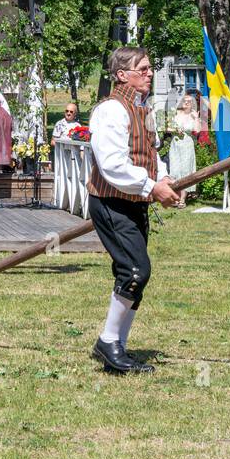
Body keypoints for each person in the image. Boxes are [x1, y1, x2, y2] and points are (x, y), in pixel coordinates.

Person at [87, 46, 179, 375]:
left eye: (150, 68)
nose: (150, 73)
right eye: (143, 69)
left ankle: (117, 346)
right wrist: (151, 187)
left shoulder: (143, 109)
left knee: (133, 275)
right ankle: (108, 341)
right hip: (111, 202)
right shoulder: (110, 110)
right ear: (122, 75)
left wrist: (162, 178)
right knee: (136, 271)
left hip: (134, 201)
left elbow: (151, 153)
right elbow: (112, 165)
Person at [168, 94, 199, 207]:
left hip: (187, 144)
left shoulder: (193, 115)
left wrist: (196, 118)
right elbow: (167, 128)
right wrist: (176, 129)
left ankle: (182, 200)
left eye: (189, 101)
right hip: (175, 144)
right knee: (175, 171)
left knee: (185, 171)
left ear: (192, 104)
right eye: (184, 101)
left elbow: (197, 130)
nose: (186, 103)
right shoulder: (175, 113)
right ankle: (175, 198)